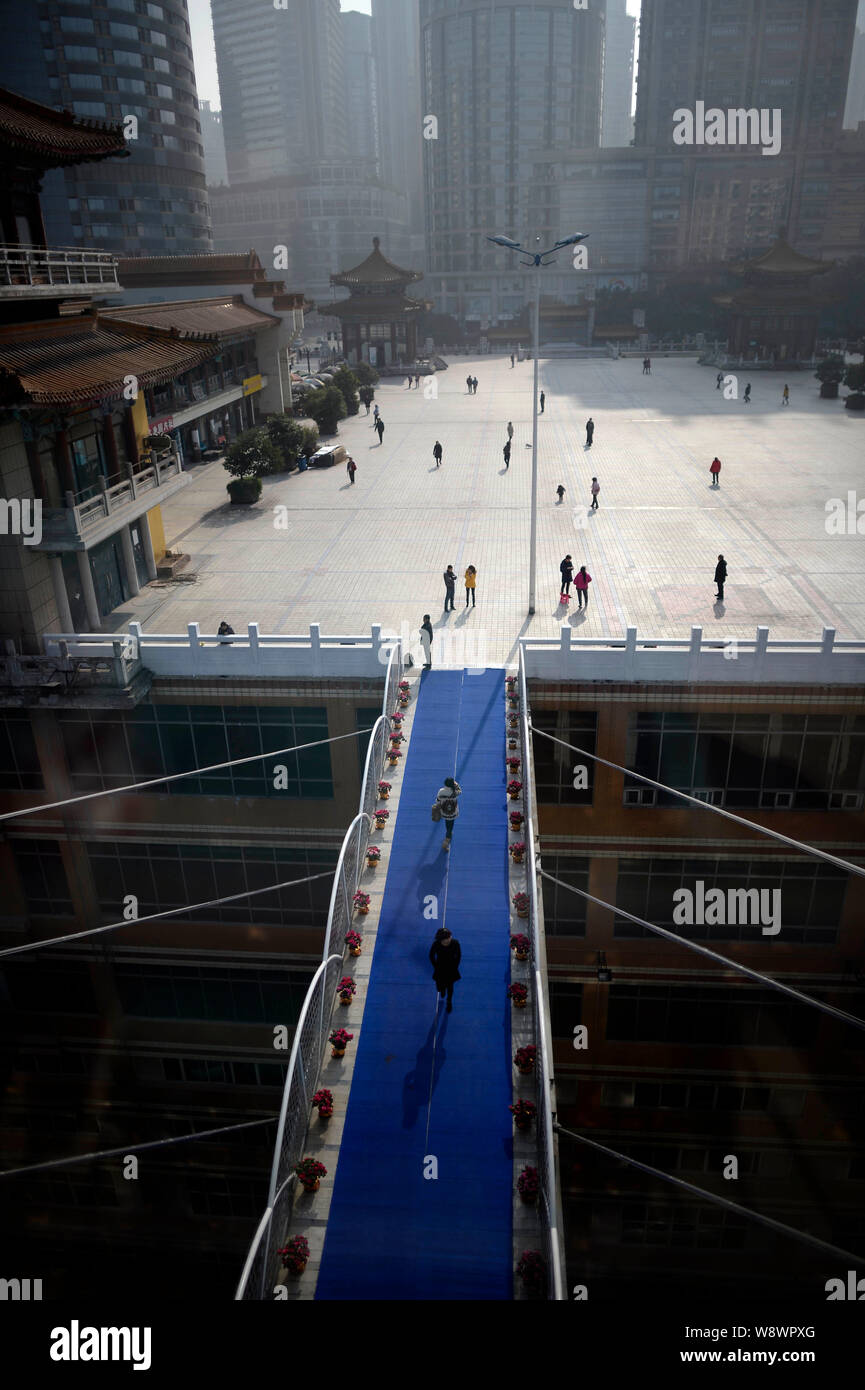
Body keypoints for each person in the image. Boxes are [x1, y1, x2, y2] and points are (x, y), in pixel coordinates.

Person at [429, 926, 461, 1010]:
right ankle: (442, 990)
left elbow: (458, 955)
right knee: (439, 987)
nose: (451, 937)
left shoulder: (455, 943)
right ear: (443, 939)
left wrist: (455, 966)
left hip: (451, 968)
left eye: (450, 935)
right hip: (440, 968)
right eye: (448, 936)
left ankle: (449, 1001)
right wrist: (435, 966)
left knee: (450, 986)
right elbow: (431, 956)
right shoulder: (436, 944)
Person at [434, 777, 462, 853]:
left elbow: (437, 801)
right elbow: (460, 791)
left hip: (445, 812)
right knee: (450, 827)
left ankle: (448, 833)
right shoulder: (454, 792)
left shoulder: (441, 791)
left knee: (447, 823)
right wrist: (456, 784)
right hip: (453, 812)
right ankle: (446, 842)